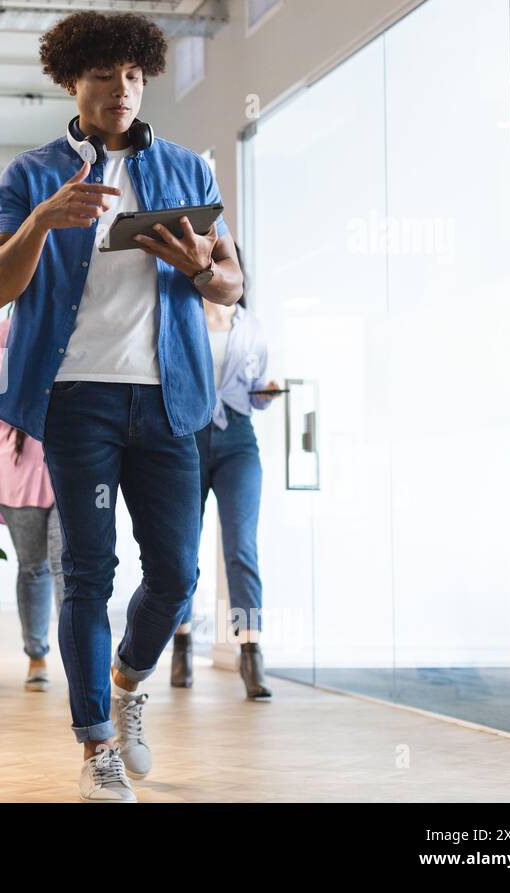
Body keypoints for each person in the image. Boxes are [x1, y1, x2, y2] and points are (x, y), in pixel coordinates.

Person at [0, 11, 244, 802]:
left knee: (177, 573)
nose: (121, 89)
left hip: (169, 401)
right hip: (76, 401)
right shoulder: (30, 174)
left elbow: (233, 284)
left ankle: (128, 684)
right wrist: (40, 219)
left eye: (133, 75)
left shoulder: (189, 173)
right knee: (87, 570)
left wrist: (202, 267)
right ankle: (95, 741)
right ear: (72, 81)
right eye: (104, 74)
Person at [171, 254, 279, 699]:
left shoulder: (250, 326)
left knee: (241, 549)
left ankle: (250, 653)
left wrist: (267, 393)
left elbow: (256, 392)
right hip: (188, 438)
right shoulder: (183, 315)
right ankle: (180, 646)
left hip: (238, 439)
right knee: (181, 553)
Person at [0, 315, 64, 692]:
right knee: (32, 567)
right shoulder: (2, 335)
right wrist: (39, 397)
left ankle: (81, 664)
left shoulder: (71, 324)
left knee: (67, 566)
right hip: (15, 469)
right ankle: (36, 655)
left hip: (69, 464)